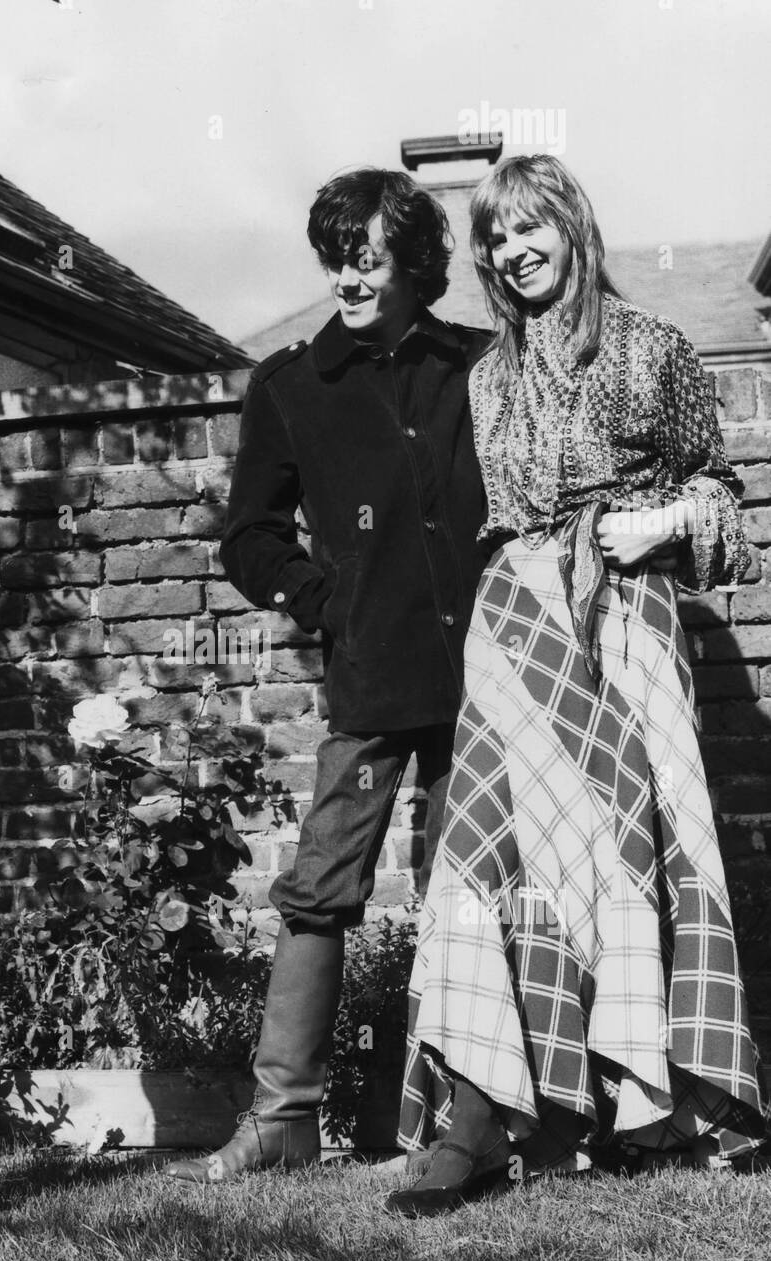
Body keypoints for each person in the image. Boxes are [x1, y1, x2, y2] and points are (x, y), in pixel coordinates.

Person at [386, 154, 768, 1217]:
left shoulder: (651, 347)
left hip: (627, 617)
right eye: (495, 241)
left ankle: (642, 1106)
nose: (513, 253)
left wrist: (658, 523)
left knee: (627, 842)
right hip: (515, 619)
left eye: (528, 228)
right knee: (483, 843)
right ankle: (474, 1114)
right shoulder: (487, 376)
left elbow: (720, 503)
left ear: (569, 224)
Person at [164, 168, 491, 1183]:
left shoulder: (481, 366)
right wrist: (326, 599)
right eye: (334, 250)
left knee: (474, 890)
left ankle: (467, 1117)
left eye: (368, 250)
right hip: (373, 676)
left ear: (416, 263)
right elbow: (249, 538)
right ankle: (283, 1115)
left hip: (492, 674)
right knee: (320, 885)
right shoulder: (291, 384)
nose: (347, 270)